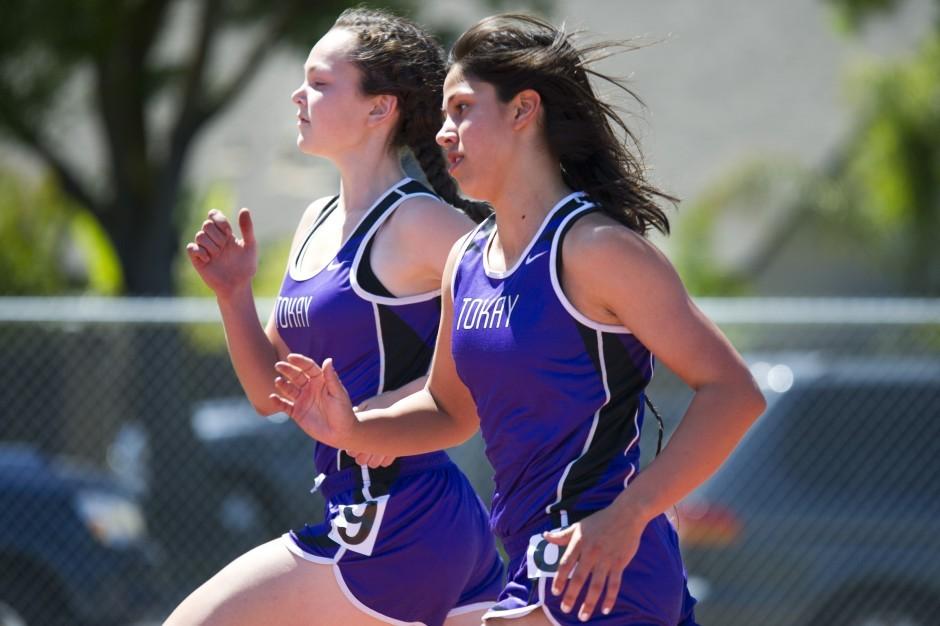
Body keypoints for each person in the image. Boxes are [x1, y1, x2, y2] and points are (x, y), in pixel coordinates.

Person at [271, 13, 767, 626]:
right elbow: (448, 409)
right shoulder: (466, 260)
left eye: (462, 109)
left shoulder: (594, 249)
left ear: (523, 110)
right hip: (538, 563)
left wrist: (631, 514)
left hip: (601, 568)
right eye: (443, 114)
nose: (443, 132)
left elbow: (733, 392)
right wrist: (353, 428)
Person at [165, 8, 503, 626]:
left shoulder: (418, 220)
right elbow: (270, 396)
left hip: (398, 518)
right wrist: (233, 293)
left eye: (320, 83)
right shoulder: (315, 220)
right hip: (386, 515)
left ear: (381, 108)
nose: (299, 95)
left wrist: (381, 411)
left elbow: (515, 326)